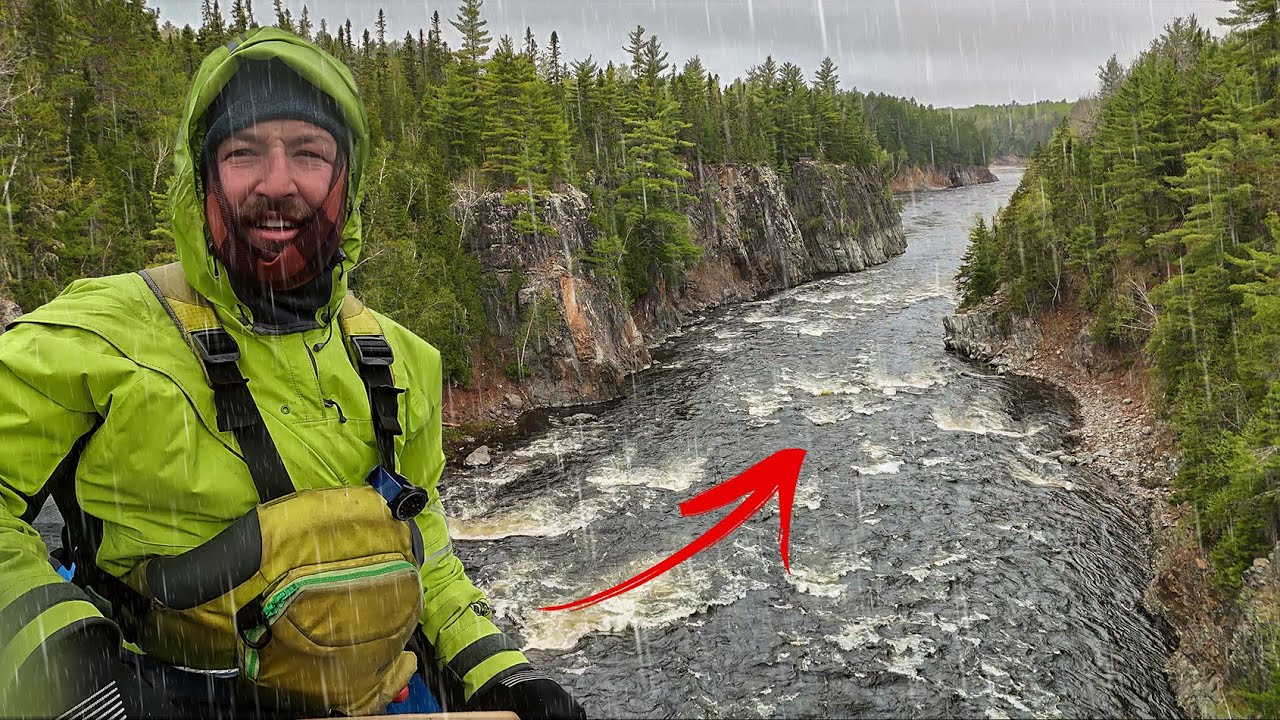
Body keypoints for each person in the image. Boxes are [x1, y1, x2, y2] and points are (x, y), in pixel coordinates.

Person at [0, 27, 584, 719]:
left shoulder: (398, 359)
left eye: (308, 153)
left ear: (346, 182)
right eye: (244, 152)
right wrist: (66, 667)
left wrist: (496, 673)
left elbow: (421, 547)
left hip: (390, 700)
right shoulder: (93, 336)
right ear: (203, 179)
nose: (277, 184)